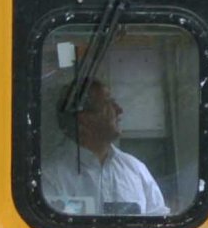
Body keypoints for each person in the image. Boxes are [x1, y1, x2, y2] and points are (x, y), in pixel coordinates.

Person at [39, 77, 168, 216]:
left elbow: (160, 222)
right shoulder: (51, 176)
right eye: (108, 103)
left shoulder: (136, 170)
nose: (119, 110)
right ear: (84, 117)